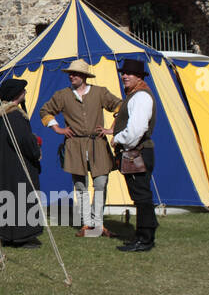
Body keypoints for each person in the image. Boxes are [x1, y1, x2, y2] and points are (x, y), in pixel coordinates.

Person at [39, 60, 122, 237]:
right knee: (80, 185)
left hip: (97, 144)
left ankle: (98, 222)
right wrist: (58, 128)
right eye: (70, 73)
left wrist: (111, 129)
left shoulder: (100, 92)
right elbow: (45, 111)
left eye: (75, 74)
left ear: (84, 76)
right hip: (74, 145)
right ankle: (87, 224)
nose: (71, 76)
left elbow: (121, 108)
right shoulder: (62, 95)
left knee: (100, 183)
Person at [0, 77, 43, 247]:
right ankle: (20, 236)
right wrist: (36, 148)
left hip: (6, 165)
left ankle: (3, 234)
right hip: (17, 167)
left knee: (5, 197)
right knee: (19, 196)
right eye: (23, 90)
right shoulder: (14, 116)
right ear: (17, 94)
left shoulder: (3, 115)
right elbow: (24, 141)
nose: (25, 92)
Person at [110, 59, 158, 253]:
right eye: (123, 73)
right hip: (134, 152)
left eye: (129, 73)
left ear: (139, 76)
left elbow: (137, 129)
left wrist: (117, 139)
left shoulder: (141, 97)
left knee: (142, 196)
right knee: (140, 196)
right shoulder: (134, 95)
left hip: (137, 151)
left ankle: (145, 239)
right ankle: (142, 235)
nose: (125, 76)